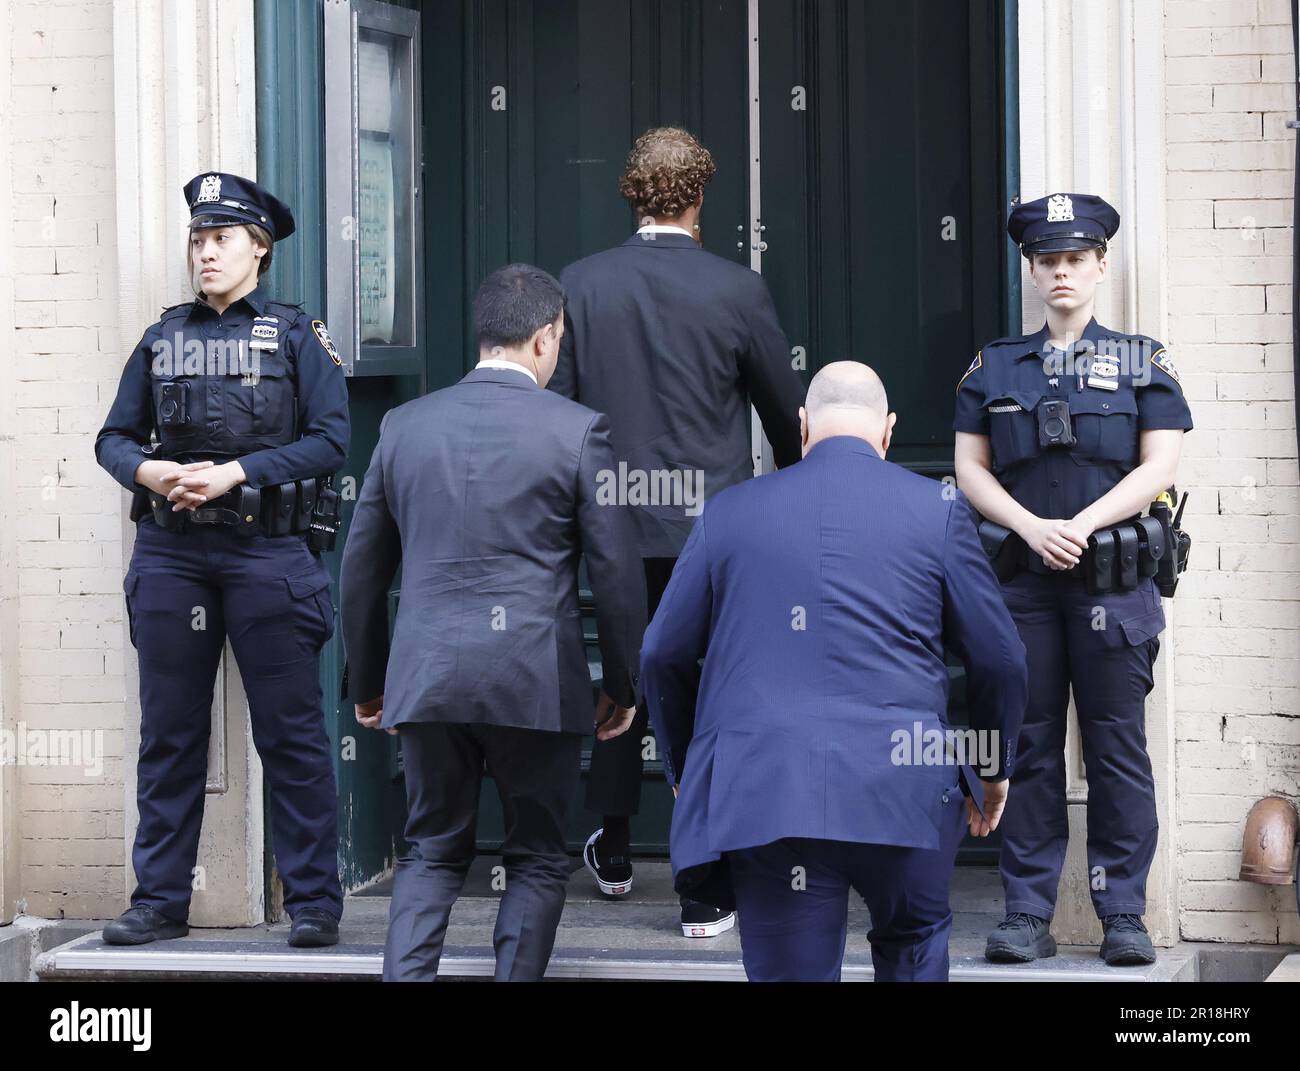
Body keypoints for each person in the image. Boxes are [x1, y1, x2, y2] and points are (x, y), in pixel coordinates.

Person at [641, 362, 1027, 981]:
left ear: (801, 427)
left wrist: (689, 766)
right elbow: (1001, 657)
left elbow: (661, 652)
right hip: (904, 784)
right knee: (914, 947)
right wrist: (992, 767)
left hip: (769, 789)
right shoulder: (940, 511)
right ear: (888, 431)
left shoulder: (729, 513)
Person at [340, 264, 647, 982]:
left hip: (429, 679)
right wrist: (625, 684)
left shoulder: (403, 425)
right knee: (537, 858)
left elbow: (360, 569)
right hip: (535, 684)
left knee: (430, 852)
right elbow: (617, 574)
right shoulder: (578, 431)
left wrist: (371, 678)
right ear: (545, 338)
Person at [549, 126, 806, 938]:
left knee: (628, 673)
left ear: (630, 194)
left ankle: (613, 842)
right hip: (713, 528)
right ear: (700, 198)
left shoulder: (581, 285)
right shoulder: (738, 289)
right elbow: (785, 413)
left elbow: (560, 415)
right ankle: (704, 889)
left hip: (615, 521)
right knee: (702, 693)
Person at [94, 171, 351, 948]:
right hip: (173, 556)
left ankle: (313, 903)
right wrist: (151, 472)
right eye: (198, 240)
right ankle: (159, 900)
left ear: (258, 250)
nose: (206, 254)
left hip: (267, 554)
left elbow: (333, 439)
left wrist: (237, 472)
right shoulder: (162, 336)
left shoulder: (297, 335)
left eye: (222, 240)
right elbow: (112, 438)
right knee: (169, 734)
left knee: (293, 735)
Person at [953, 193, 1193, 966]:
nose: (1062, 272)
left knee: (1118, 749)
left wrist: (1082, 525)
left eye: (1075, 260)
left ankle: (1123, 911)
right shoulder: (995, 365)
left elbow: (1160, 460)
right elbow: (968, 466)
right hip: (1023, 582)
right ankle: (1027, 911)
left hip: (1112, 585)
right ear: (1032, 269)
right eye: (1048, 261)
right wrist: (1031, 528)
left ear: (1099, 266)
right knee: (1028, 747)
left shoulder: (1140, 359)